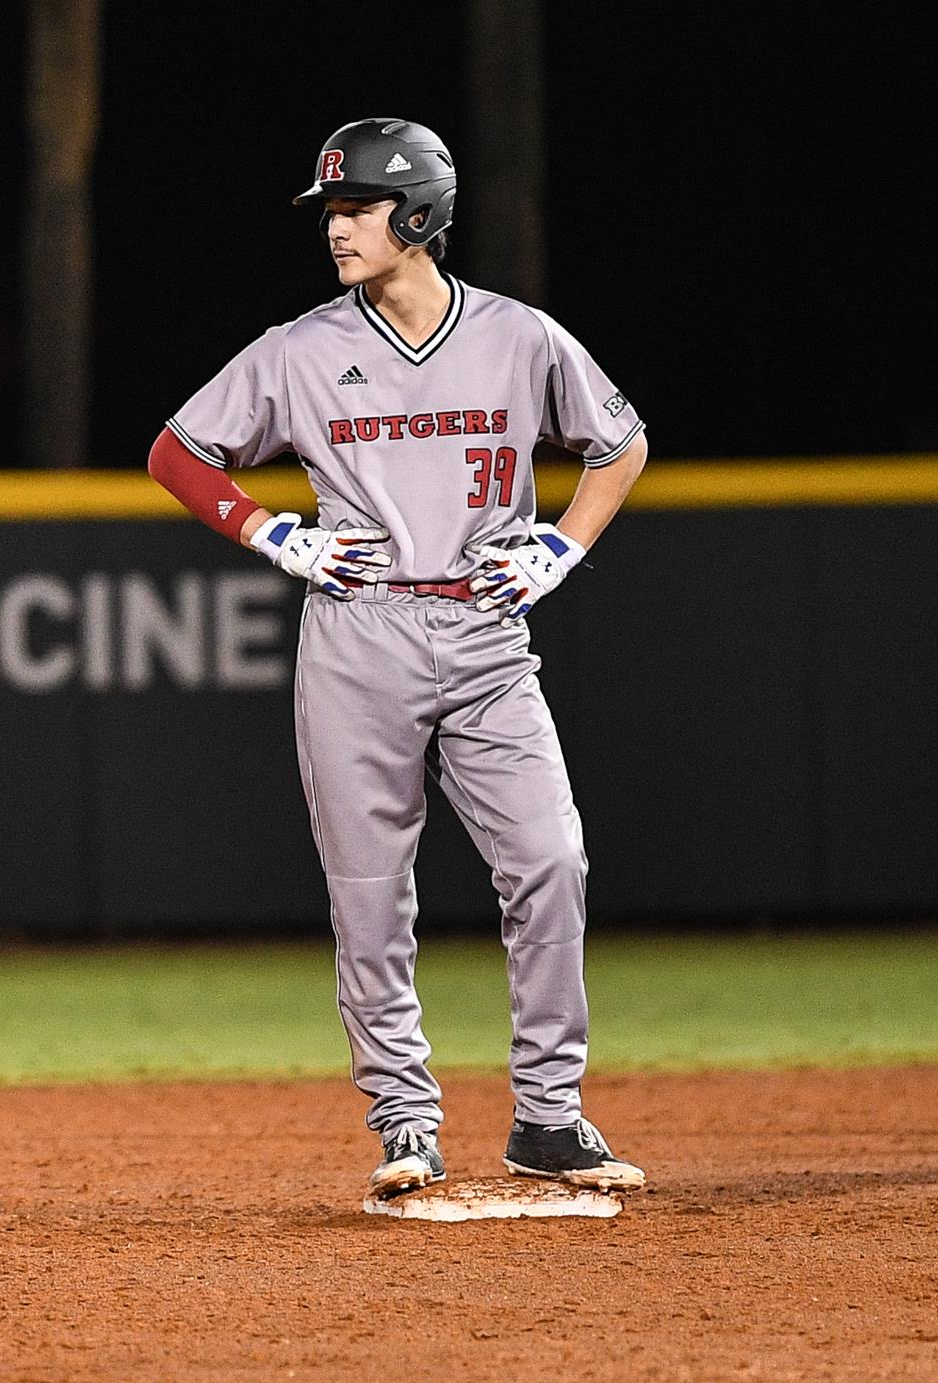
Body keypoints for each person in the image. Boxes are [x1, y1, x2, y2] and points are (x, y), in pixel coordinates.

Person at [147, 117, 649, 1198]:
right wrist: (269, 529)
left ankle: (550, 1118)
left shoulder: (520, 338)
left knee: (551, 862)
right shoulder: (301, 349)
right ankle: (404, 1123)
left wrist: (563, 546)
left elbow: (620, 443)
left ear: (419, 213)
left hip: (484, 636)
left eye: (358, 205)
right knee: (370, 892)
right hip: (359, 631)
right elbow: (176, 451)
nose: (337, 227)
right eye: (331, 209)